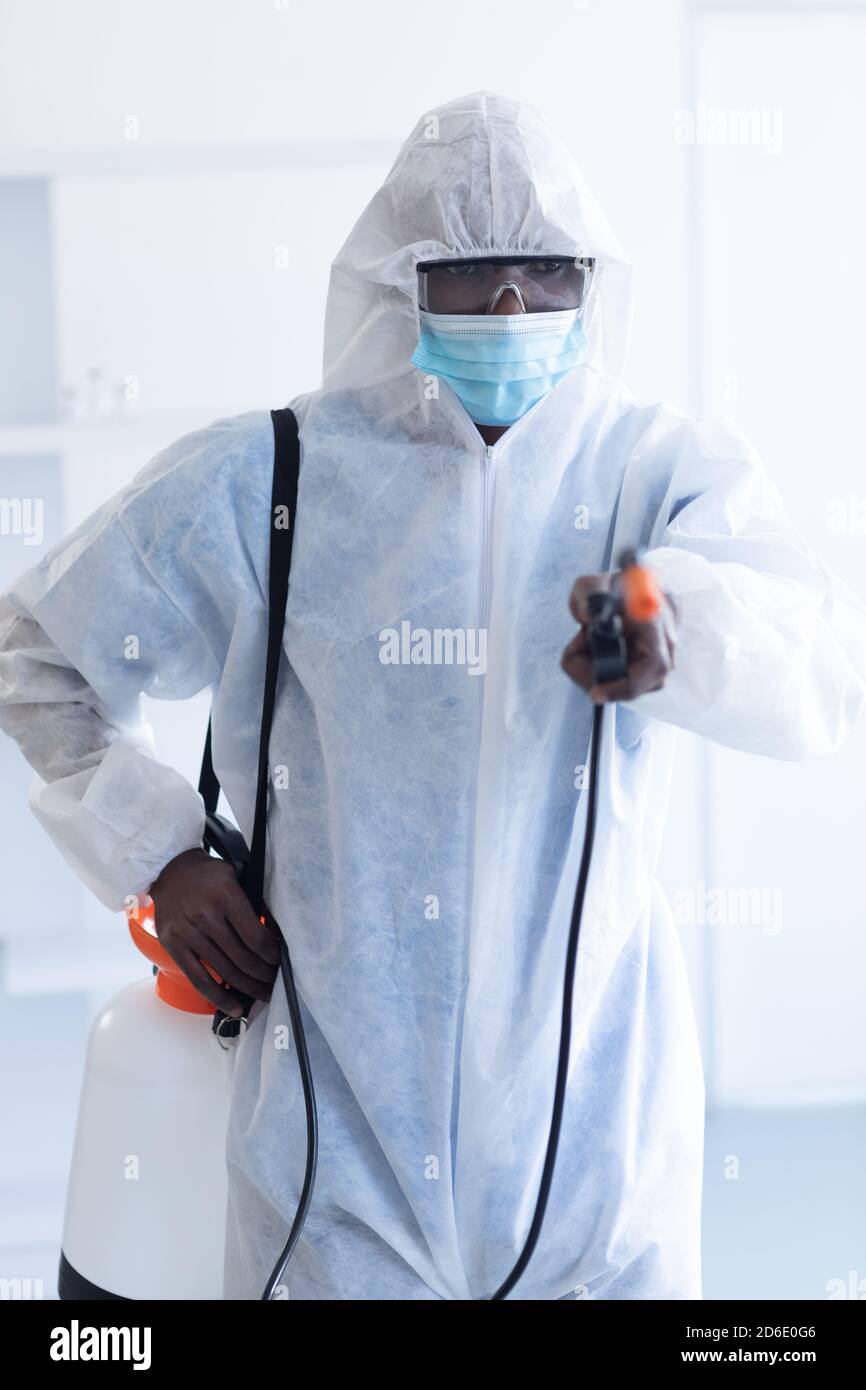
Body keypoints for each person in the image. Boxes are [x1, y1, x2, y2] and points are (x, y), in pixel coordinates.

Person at [1, 92, 865, 1301]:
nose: (513, 304)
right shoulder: (273, 477)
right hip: (334, 1155)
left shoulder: (648, 470)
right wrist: (162, 853)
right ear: (401, 283)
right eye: (472, 270)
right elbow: (34, 648)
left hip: (590, 1156)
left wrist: (683, 630)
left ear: (590, 281)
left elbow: (824, 650)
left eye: (546, 267)